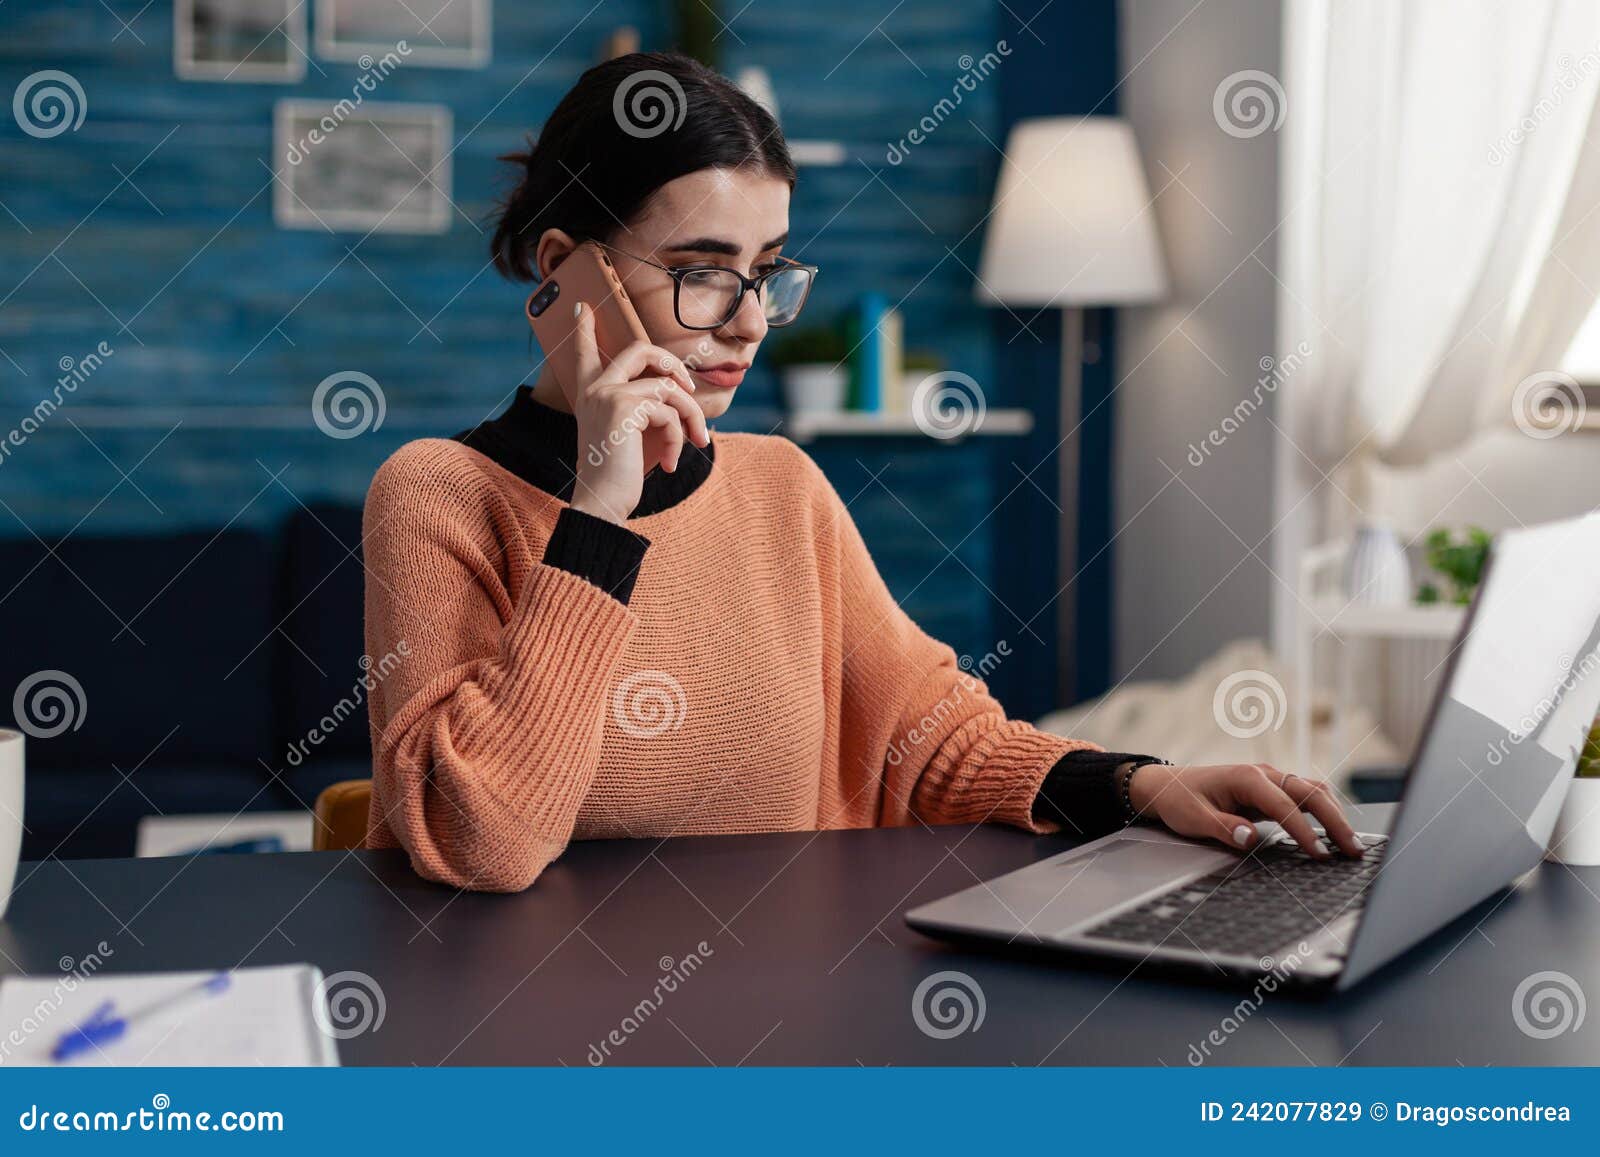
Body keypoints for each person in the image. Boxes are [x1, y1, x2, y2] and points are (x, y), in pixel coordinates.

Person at [360, 50, 1361, 891]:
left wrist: (1141, 785)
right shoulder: (438, 494)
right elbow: (481, 834)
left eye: (764, 273)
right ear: (566, 270)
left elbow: (930, 738)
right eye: (703, 272)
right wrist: (599, 516)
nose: (748, 321)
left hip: (782, 1014)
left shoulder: (781, 488)